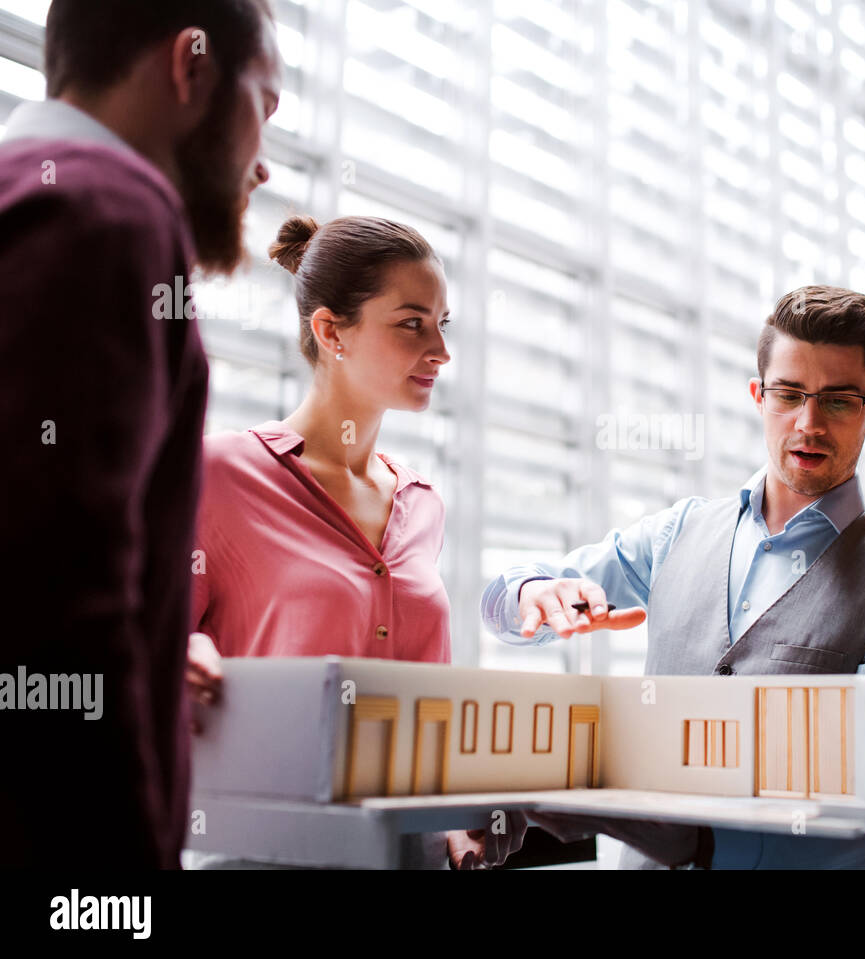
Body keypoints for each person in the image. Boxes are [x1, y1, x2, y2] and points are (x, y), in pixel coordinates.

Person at [482, 286, 865, 868]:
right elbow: (502, 602)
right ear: (759, 396)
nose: (809, 424)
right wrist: (532, 592)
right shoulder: (675, 535)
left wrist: (700, 841)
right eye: (789, 395)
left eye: (836, 401)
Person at [0, 0, 280, 868]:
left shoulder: (33, 192)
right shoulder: (107, 214)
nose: (262, 166)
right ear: (189, 67)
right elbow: (54, 602)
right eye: (262, 106)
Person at [185, 214, 522, 869]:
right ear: (331, 331)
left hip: (411, 852)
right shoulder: (220, 475)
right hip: (266, 852)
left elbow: (430, 698)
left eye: (442, 325)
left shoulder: (422, 501)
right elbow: (143, 644)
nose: (440, 351)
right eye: (411, 323)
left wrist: (456, 824)